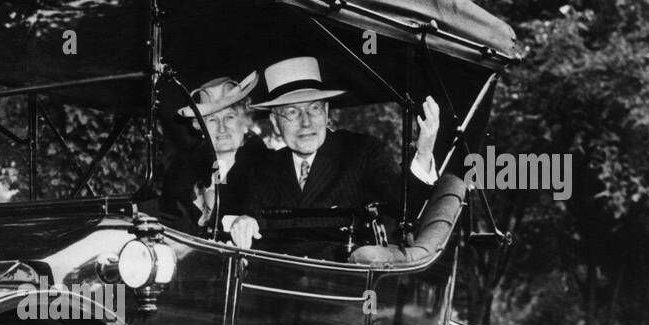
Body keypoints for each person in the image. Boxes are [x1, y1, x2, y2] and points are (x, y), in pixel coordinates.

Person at [225, 57, 441, 250]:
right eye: (292, 112)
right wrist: (243, 222)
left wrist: (423, 153)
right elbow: (248, 216)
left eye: (314, 108)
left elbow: (404, 208)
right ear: (274, 122)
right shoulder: (262, 169)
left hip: (344, 289)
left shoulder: (362, 152)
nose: (306, 121)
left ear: (326, 111)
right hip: (276, 289)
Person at [153, 72, 273, 235]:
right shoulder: (182, 171)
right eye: (212, 120)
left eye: (229, 117)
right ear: (200, 128)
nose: (221, 128)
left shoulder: (269, 166)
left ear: (244, 121)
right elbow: (168, 220)